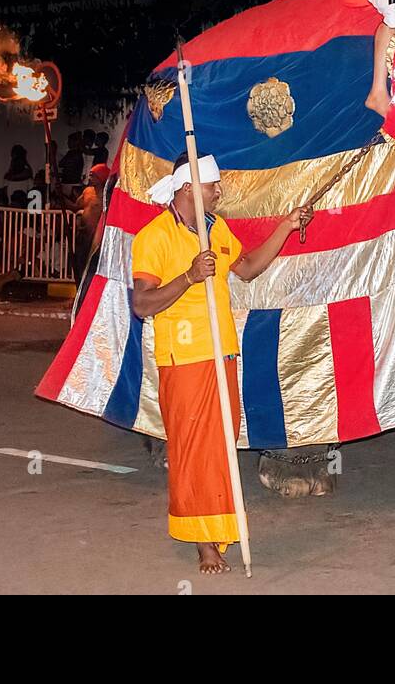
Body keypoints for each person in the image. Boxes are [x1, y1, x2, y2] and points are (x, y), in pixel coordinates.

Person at [130, 152, 313, 574]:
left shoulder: (217, 229)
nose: (219, 191)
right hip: (184, 356)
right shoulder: (154, 237)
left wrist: (285, 226)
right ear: (189, 187)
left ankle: (220, 528)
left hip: (222, 352)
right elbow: (142, 304)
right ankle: (202, 542)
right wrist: (189, 277)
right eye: (213, 185)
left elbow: (247, 269)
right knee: (194, 451)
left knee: (221, 450)